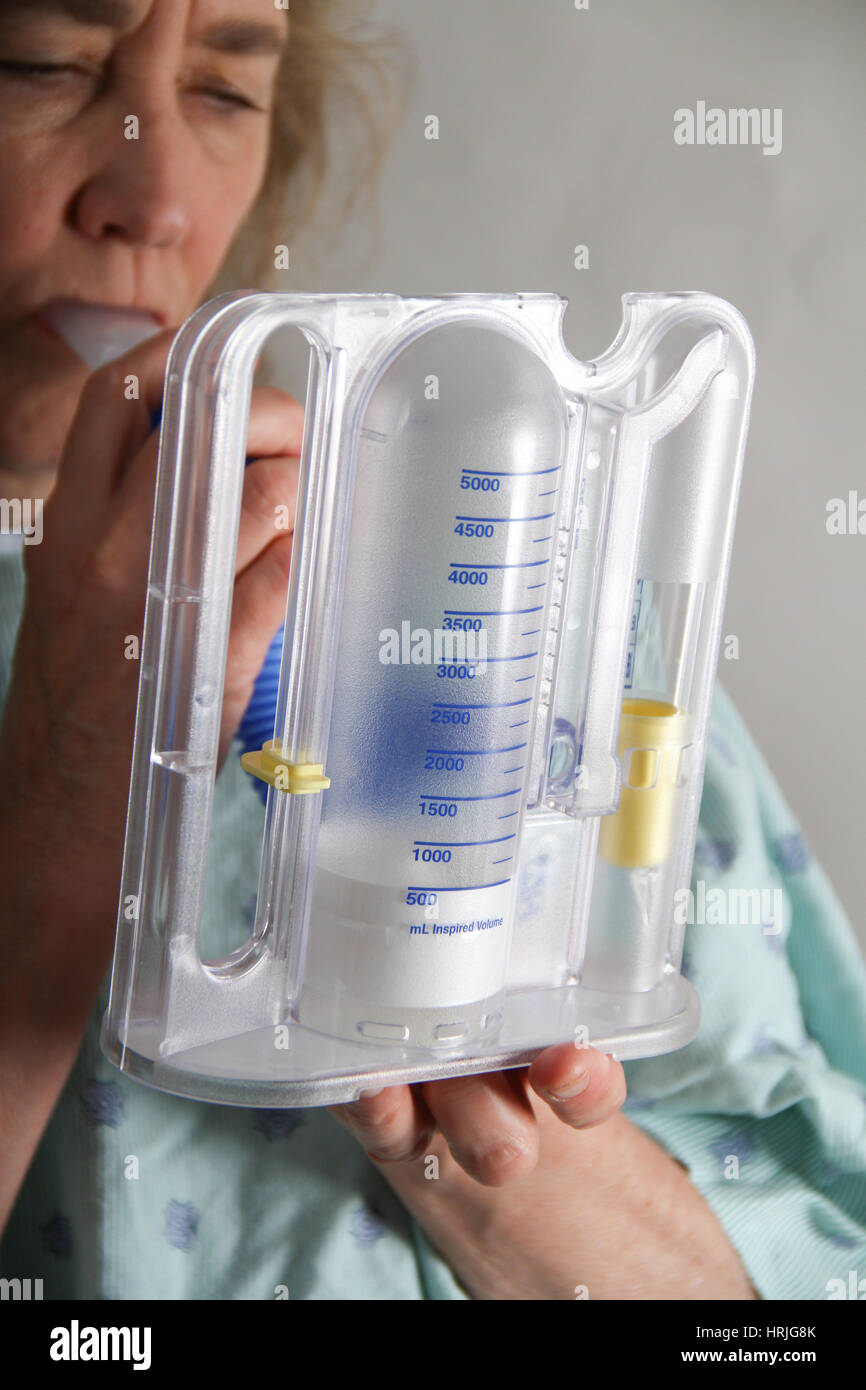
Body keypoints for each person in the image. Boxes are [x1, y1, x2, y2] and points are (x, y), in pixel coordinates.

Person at [0, 0, 862, 1302]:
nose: (158, 199)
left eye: (228, 93)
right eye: (42, 66)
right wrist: (66, 791)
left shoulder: (571, 645)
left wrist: (458, 1086)